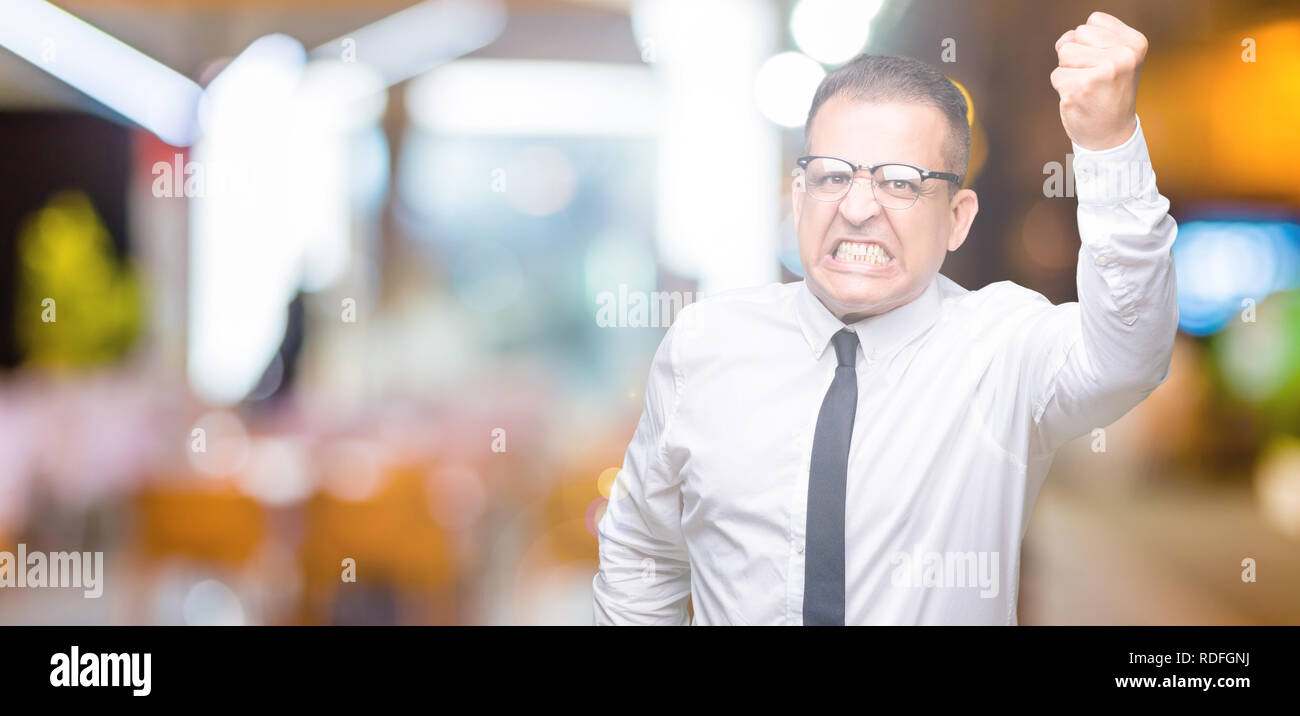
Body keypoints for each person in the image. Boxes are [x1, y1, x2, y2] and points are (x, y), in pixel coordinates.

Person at [593, 11, 1175, 625]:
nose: (859, 207)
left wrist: (1109, 145)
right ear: (799, 196)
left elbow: (1130, 352)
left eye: (902, 182)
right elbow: (643, 552)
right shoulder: (704, 346)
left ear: (958, 217)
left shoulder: (1003, 348)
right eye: (833, 176)